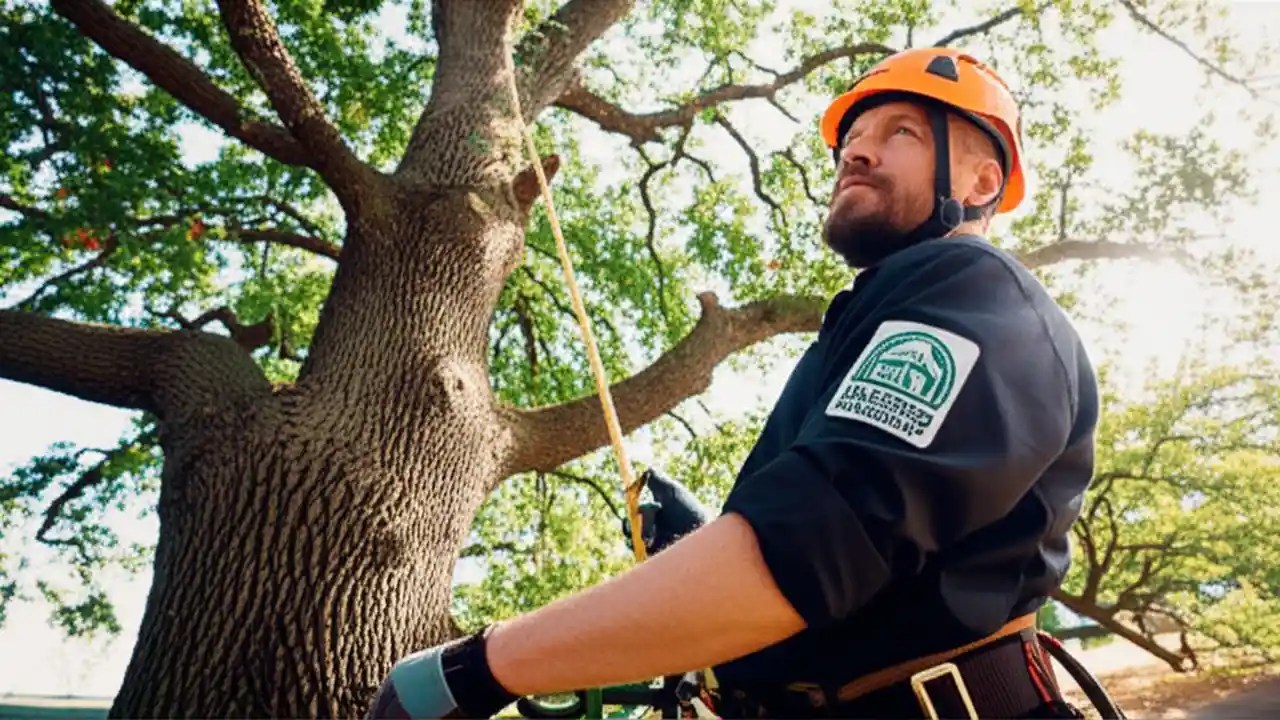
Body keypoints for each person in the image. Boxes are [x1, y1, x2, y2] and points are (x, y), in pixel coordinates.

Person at [366, 46, 1099, 720]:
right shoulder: (869, 324)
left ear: (981, 180)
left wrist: (478, 669)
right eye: (853, 139)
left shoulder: (971, 288)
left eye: (901, 132)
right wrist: (706, 544)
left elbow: (810, 551)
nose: (857, 151)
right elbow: (837, 565)